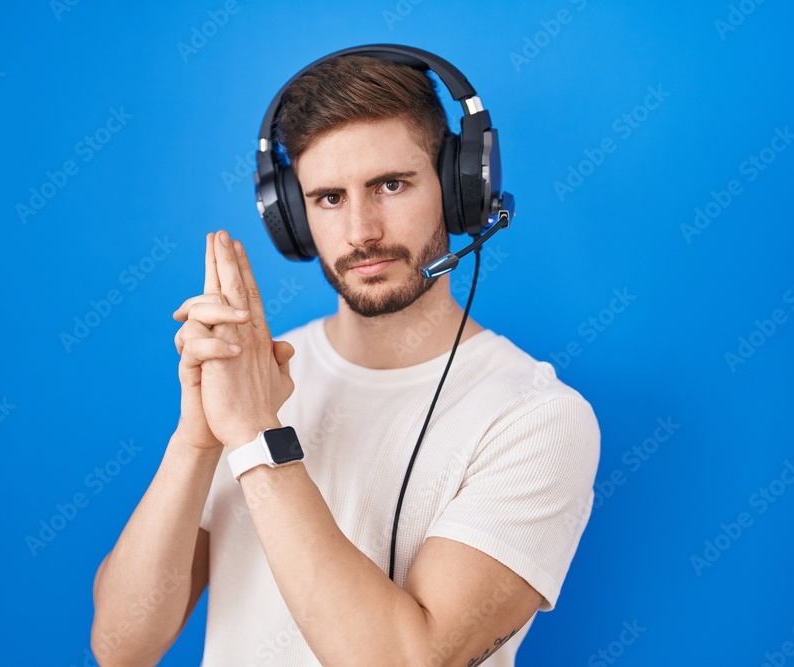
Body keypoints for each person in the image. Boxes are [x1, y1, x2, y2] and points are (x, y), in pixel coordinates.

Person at [90, 47, 600, 667]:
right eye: (329, 198)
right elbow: (122, 646)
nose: (361, 230)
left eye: (391, 184)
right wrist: (198, 438)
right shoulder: (254, 379)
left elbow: (408, 660)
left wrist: (256, 435)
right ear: (293, 218)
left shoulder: (536, 418)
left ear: (458, 189)